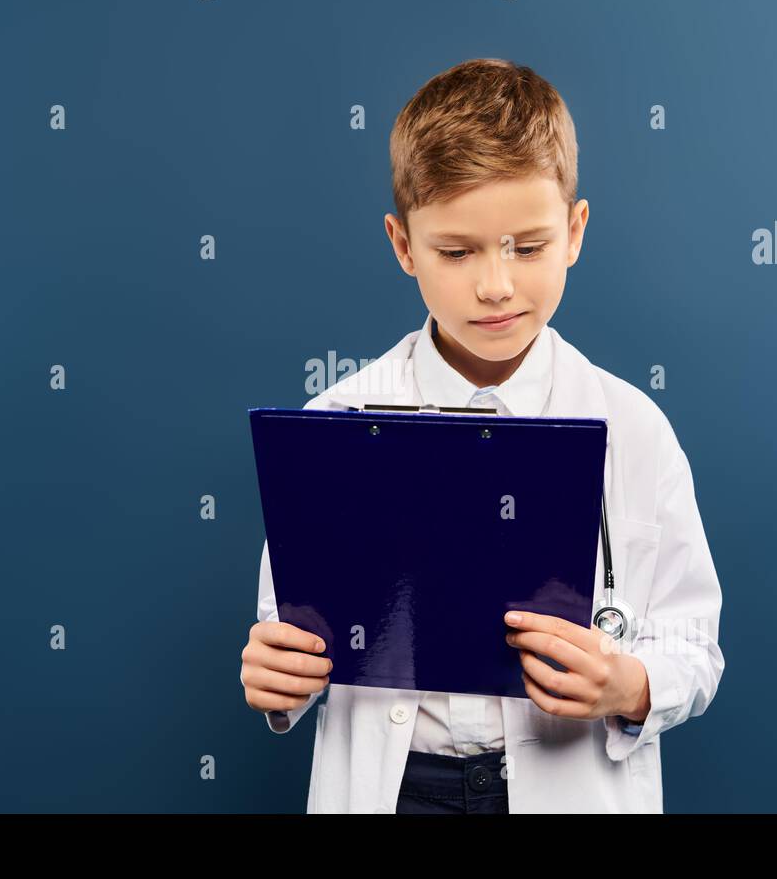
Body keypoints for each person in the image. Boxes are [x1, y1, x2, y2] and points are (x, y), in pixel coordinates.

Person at [240, 58, 724, 813]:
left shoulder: (635, 428)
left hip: (566, 781)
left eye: (526, 247)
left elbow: (694, 644)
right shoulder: (335, 423)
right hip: (397, 788)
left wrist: (629, 684)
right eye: (456, 251)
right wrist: (278, 677)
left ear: (574, 231)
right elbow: (290, 626)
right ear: (403, 246)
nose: (495, 285)